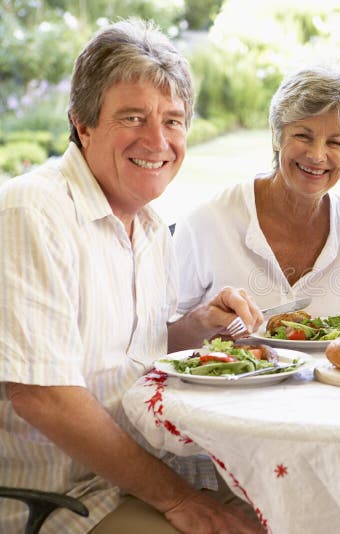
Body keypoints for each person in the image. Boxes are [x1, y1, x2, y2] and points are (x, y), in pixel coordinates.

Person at [0, 20, 264, 533]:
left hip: (141, 472)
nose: (157, 140)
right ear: (83, 124)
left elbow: (125, 349)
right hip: (64, 498)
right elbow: (41, 394)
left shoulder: (146, 225)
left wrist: (196, 326)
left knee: (304, 508)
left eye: (173, 120)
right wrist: (180, 500)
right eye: (133, 117)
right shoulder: (34, 210)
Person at [173, 63, 340, 327]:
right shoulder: (208, 221)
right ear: (276, 136)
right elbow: (157, 339)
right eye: (303, 136)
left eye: (335, 142)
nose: (317, 155)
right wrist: (202, 321)